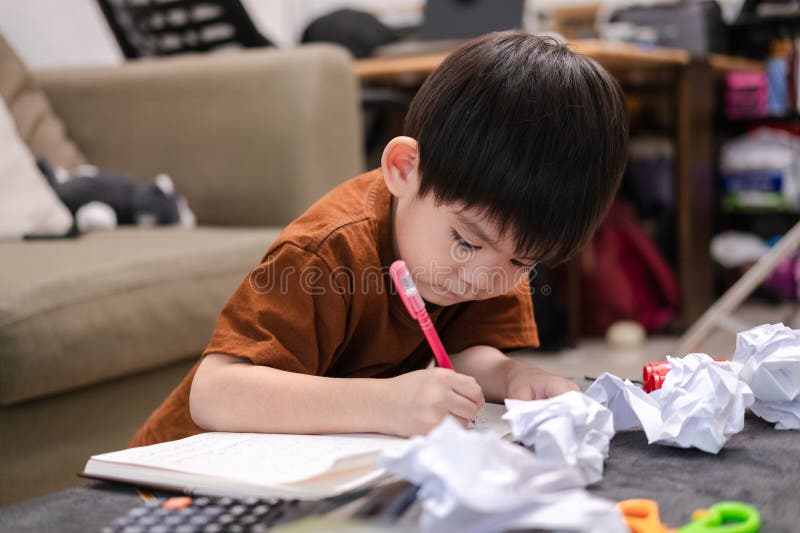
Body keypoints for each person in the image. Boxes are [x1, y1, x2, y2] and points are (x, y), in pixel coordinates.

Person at [131, 31, 628, 446]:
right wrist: (386, 403)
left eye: (523, 263)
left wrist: (512, 377)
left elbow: (464, 350)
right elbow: (215, 393)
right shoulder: (327, 251)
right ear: (403, 168)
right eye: (465, 242)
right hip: (169, 485)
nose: (483, 279)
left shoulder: (491, 247)